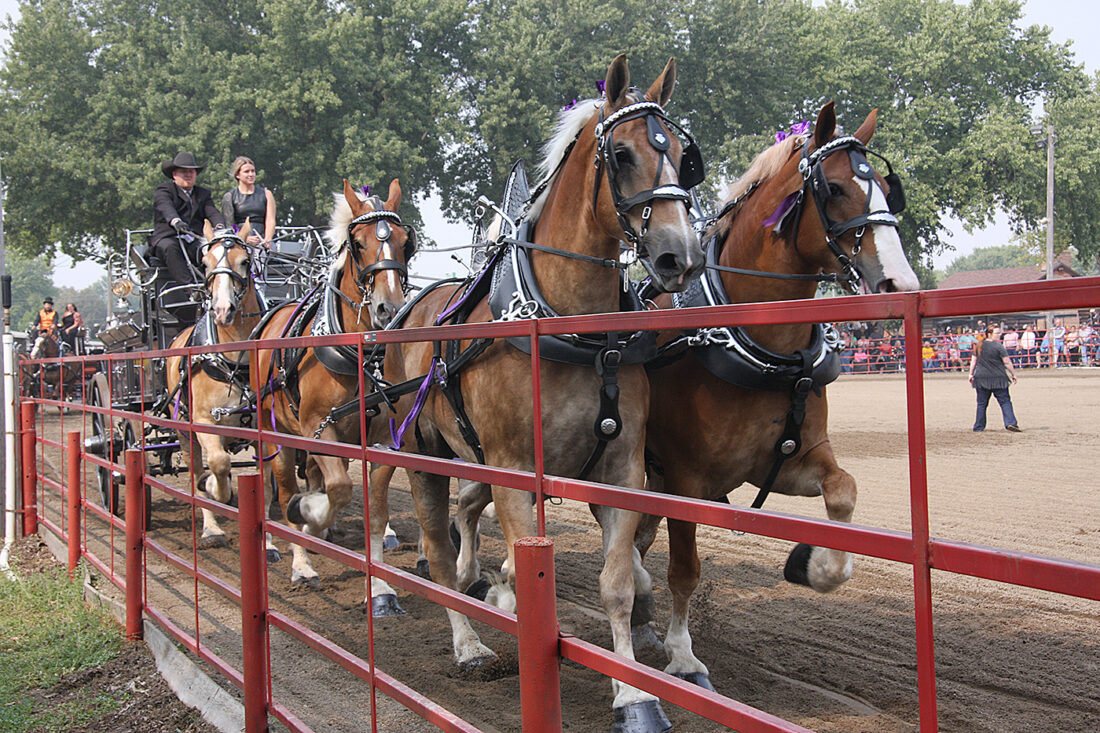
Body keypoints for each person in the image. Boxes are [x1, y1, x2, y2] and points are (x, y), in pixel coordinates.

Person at [151, 152, 226, 286]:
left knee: (212, 249)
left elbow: (213, 213)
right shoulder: (164, 190)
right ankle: (191, 288)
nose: (188, 175)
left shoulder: (202, 194)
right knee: (171, 248)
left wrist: (220, 228)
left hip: (194, 240)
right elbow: (166, 207)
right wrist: (176, 221)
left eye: (191, 172)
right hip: (168, 238)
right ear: (174, 175)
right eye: (183, 172)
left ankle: (216, 285)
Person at [968, 325, 1020, 432]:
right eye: (997, 333)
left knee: (982, 404)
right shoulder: (999, 347)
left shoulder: (979, 345)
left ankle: (979, 426)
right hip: (998, 379)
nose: (999, 335)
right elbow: (1006, 362)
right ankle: (1010, 423)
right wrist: (1013, 374)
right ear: (989, 334)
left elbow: (974, 361)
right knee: (1005, 402)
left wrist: (971, 374)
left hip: (981, 378)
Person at [221, 156, 276, 247]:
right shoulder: (229, 197)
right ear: (237, 175)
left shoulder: (267, 194)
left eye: (253, 171)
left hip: (263, 240)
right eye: (246, 172)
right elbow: (230, 225)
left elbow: (270, 220)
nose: (251, 174)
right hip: (239, 241)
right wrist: (242, 237)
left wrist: (267, 239)